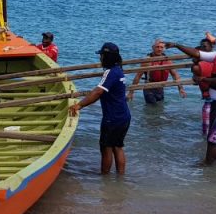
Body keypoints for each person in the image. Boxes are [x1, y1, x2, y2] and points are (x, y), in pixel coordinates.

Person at [167, 36, 216, 164]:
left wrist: (202, 79)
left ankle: (207, 166)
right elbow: (197, 53)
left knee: (213, 137)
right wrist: (176, 45)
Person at [69, 42, 131, 174]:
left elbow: (98, 92)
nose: (100, 58)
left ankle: (104, 178)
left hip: (112, 118)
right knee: (118, 147)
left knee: (106, 148)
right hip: (124, 116)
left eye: (102, 55)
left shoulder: (110, 72)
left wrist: (79, 105)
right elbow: (101, 92)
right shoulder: (119, 70)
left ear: (107, 57)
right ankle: (120, 178)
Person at [130, 38, 187, 105]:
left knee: (160, 109)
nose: (159, 49)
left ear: (164, 48)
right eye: (157, 47)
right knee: (152, 108)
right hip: (149, 88)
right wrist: (131, 92)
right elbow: (138, 76)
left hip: (160, 88)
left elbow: (175, 75)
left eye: (161, 47)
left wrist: (180, 88)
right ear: (153, 48)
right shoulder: (147, 61)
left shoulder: (168, 60)